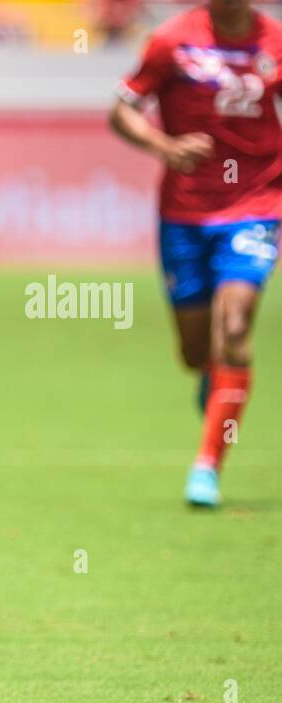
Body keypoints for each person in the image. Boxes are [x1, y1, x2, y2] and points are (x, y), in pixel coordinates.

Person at [109, 0, 282, 507]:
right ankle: (216, 381)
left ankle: (207, 465)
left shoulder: (274, 41)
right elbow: (121, 108)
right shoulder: (171, 41)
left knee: (234, 326)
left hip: (256, 204)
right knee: (194, 351)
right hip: (184, 213)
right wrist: (164, 146)